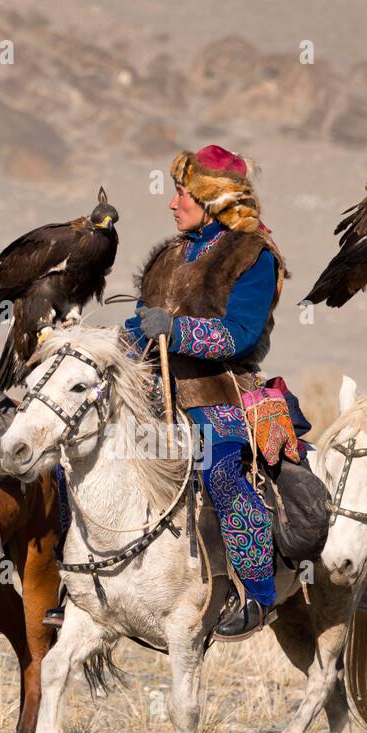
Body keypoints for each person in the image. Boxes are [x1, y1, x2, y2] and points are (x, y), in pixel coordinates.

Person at [128, 145, 289, 640]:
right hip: (151, 388)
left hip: (218, 392)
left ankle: (258, 594)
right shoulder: (168, 255)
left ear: (211, 199)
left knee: (219, 469)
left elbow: (239, 333)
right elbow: (139, 325)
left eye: (181, 193)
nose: (171, 203)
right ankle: (80, 586)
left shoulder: (253, 255)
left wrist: (172, 331)